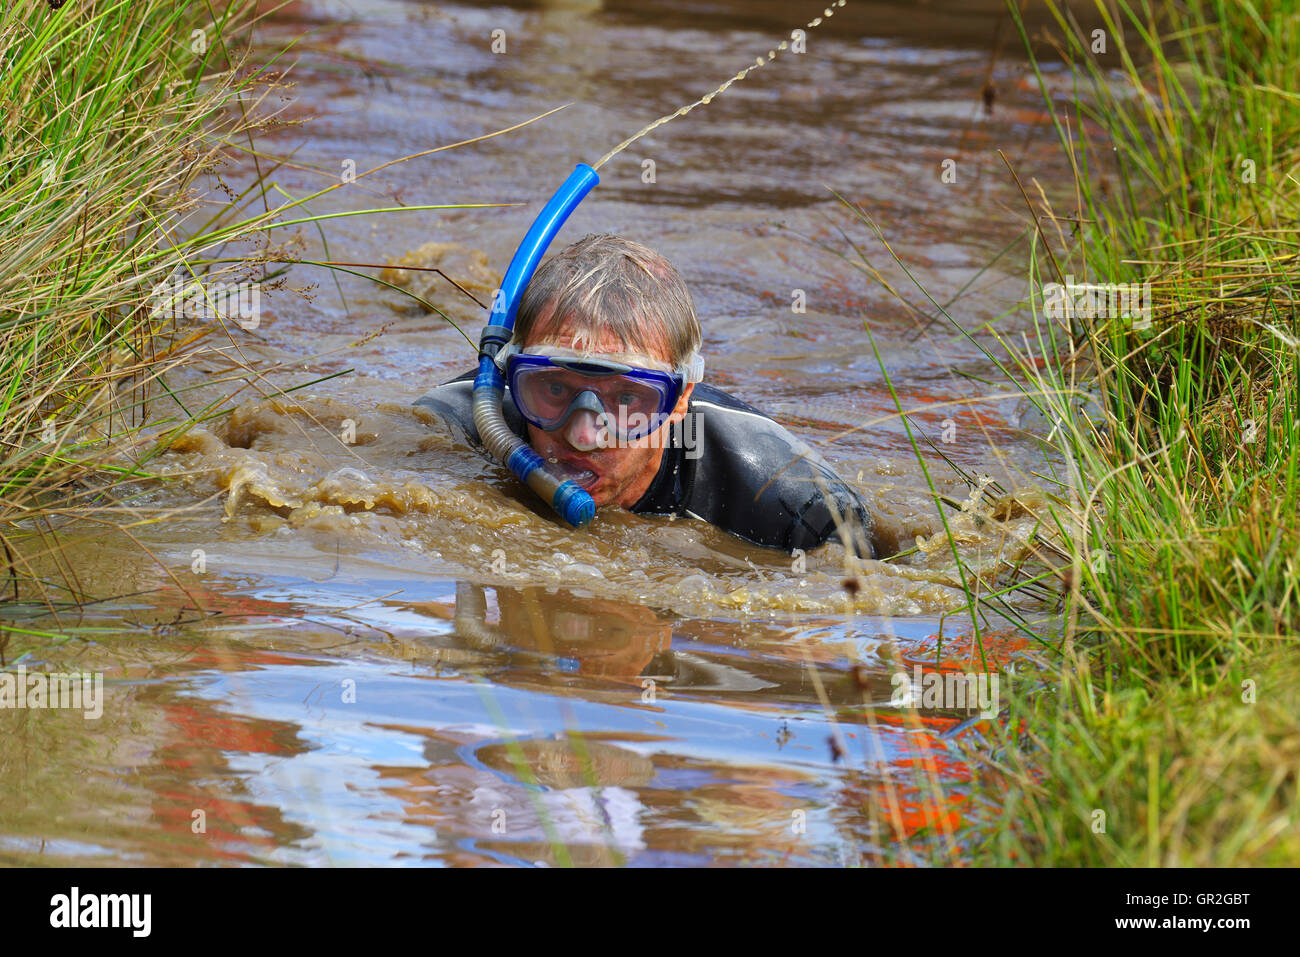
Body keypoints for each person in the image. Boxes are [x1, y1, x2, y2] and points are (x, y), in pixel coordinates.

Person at [414, 233, 876, 557]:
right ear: (512, 376)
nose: (583, 434)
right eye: (555, 389)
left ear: (679, 400)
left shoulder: (795, 505)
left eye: (626, 400)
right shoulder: (450, 430)